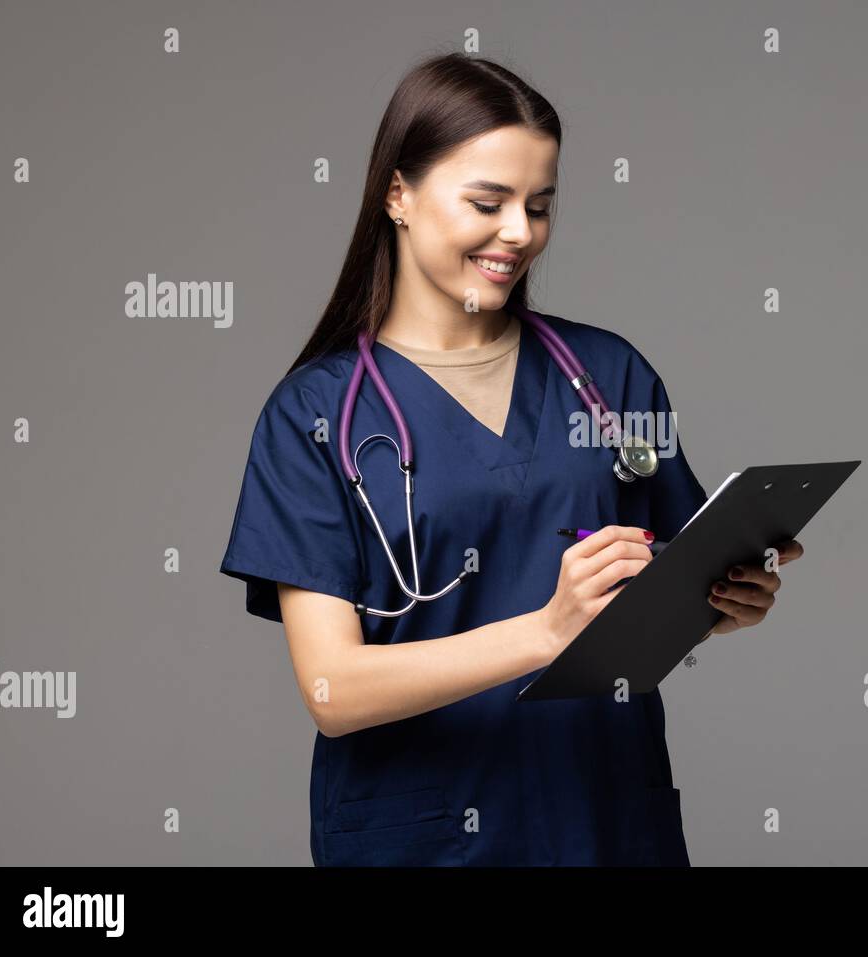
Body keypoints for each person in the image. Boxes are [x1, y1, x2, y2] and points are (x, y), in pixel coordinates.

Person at [219, 52, 803, 866]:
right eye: (487, 203)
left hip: (606, 816)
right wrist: (544, 631)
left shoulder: (609, 376)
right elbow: (333, 691)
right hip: (424, 835)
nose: (521, 233)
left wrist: (722, 597)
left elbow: (659, 588)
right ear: (399, 194)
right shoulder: (316, 417)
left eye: (540, 205)